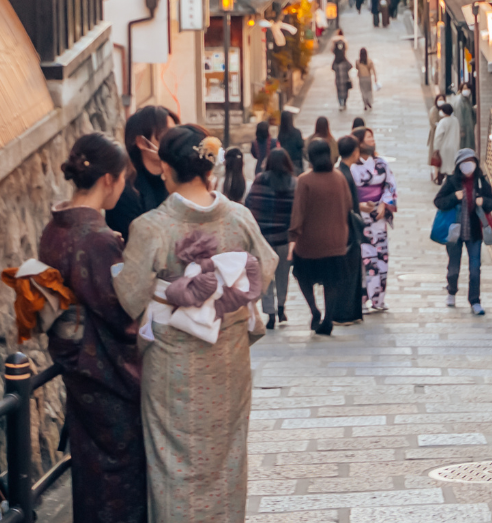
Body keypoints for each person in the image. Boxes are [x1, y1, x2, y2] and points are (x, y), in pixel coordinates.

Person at [114, 125, 275, 522]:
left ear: (165, 169)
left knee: (174, 462)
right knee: (227, 455)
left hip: (172, 365)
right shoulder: (238, 217)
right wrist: (223, 298)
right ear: (208, 167)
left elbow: (130, 296)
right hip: (228, 355)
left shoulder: (152, 226)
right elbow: (266, 268)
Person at [38, 133, 148, 522]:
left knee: (91, 473)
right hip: (107, 374)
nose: (124, 188)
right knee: (122, 478)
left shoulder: (56, 229)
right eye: (123, 180)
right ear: (108, 180)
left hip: (77, 369)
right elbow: (122, 314)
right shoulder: (95, 239)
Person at [288, 139, 353, 335]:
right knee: (332, 280)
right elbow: (349, 204)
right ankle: (328, 317)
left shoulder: (305, 180)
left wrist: (293, 235)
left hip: (310, 241)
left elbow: (298, 212)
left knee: (302, 275)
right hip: (336, 239)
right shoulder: (339, 177)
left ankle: (314, 309)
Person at [434, 148, 492, 315]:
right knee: (453, 267)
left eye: (471, 162)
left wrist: (484, 201)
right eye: (464, 162)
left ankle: (475, 301)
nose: (468, 166)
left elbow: (491, 201)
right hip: (455, 231)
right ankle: (451, 290)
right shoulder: (452, 181)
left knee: (475, 268)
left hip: (474, 232)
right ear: (458, 165)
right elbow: (438, 201)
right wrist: (455, 197)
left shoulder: (481, 181)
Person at [107, 105, 179, 238]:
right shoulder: (126, 189)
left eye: (175, 134)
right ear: (142, 142)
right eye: (166, 134)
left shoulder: (178, 178)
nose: (174, 141)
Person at [245, 149, 297, 329]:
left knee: (266, 277)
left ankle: (271, 314)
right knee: (283, 275)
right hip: (284, 238)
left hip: (264, 239)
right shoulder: (293, 183)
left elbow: (250, 204)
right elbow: (296, 213)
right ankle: (281, 307)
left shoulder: (260, 180)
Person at [348, 127, 398, 312]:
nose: (372, 141)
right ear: (359, 142)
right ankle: (362, 300)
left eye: (372, 137)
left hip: (378, 216)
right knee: (364, 259)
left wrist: (385, 204)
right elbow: (347, 191)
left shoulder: (381, 164)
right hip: (360, 219)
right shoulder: (352, 167)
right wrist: (359, 204)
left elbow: (390, 186)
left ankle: (379, 299)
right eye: (368, 138)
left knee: (381, 257)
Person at [332, 136, 367, 324]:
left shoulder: (342, 172)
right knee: (348, 273)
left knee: (351, 272)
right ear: (355, 152)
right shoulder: (343, 174)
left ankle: (351, 312)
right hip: (347, 230)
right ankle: (344, 313)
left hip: (347, 227)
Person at [430, 97, 460, 184]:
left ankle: (440, 180)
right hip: (454, 146)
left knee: (444, 167)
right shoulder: (455, 120)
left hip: (444, 148)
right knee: (451, 166)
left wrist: (436, 148)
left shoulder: (442, 122)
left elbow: (438, 137)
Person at [331, 44, 354, 111]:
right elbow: (350, 66)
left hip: (338, 80)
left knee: (339, 92)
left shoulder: (335, 62)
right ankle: (344, 103)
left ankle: (341, 103)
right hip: (345, 79)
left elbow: (332, 68)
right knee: (345, 92)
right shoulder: (345, 61)